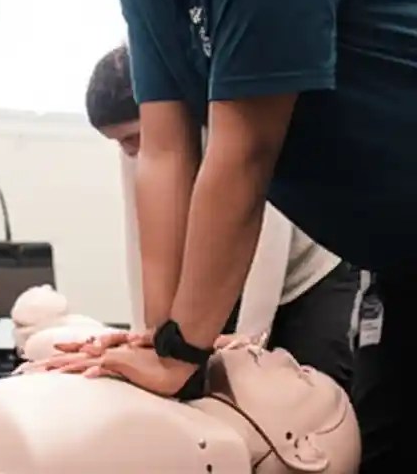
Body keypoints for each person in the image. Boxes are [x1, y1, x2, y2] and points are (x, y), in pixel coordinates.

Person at [22, 0, 417, 469]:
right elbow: (168, 155)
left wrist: (182, 350)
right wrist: (155, 337)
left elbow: (243, 155)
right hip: (396, 259)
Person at [86, 43, 360, 390]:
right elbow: (142, 239)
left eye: (131, 136)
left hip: (311, 268)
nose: (128, 149)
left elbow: (266, 231)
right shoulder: (142, 148)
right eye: (117, 141)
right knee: (210, 383)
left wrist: (250, 338)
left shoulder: (228, 124)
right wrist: (148, 338)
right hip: (227, 266)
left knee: (315, 392)